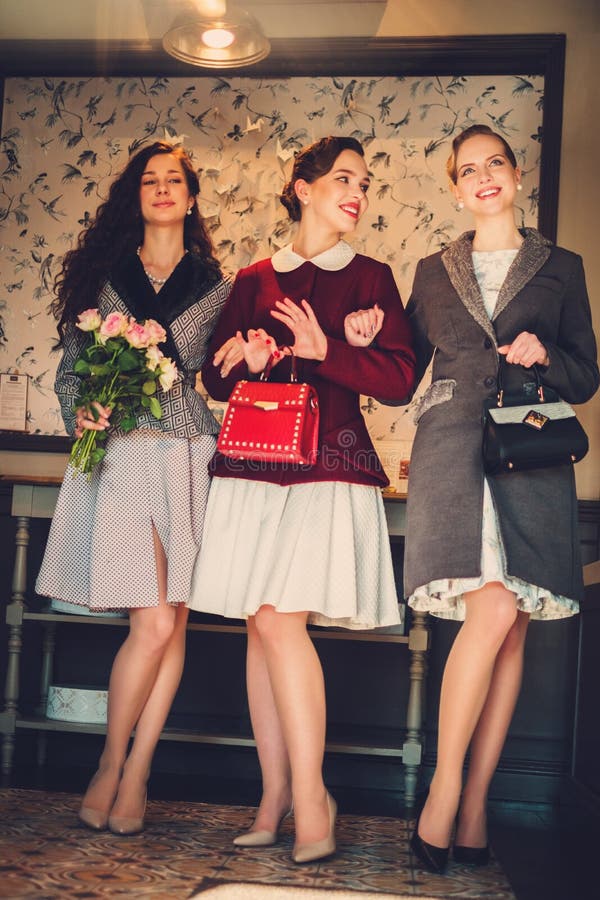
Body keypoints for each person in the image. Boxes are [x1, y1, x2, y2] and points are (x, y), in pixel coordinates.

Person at [188, 135, 415, 863]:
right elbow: (220, 381)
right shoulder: (253, 279)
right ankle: (275, 795)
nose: (357, 192)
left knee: (282, 621)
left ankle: (314, 798)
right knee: (262, 624)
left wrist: (327, 352)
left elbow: (401, 381)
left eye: (365, 182)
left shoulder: (374, 277)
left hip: (328, 466)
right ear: (303, 186)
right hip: (254, 470)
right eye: (343, 178)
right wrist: (250, 363)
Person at [402, 124, 599, 873]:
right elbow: (398, 371)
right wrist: (347, 338)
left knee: (510, 625)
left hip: (530, 457)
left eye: (495, 164)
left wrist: (547, 352)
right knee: (492, 611)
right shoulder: (428, 271)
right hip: (452, 454)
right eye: (468, 170)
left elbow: (585, 374)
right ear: (455, 188)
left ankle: (471, 800)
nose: (483, 177)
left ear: (516, 177)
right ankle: (448, 794)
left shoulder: (562, 267)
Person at [36, 141, 232, 835]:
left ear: (190, 195)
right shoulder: (106, 278)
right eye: (149, 180)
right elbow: (70, 373)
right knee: (150, 621)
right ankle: (109, 764)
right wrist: (80, 409)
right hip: (122, 456)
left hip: (190, 453)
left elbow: (226, 376)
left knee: (171, 619)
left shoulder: (218, 284)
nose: (161, 188)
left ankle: (137, 770)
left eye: (173, 179)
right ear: (136, 195)